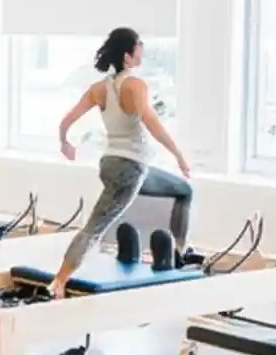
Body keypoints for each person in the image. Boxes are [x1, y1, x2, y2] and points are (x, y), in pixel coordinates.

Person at [47, 27, 192, 298]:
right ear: (128, 55)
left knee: (183, 190)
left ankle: (177, 254)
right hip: (131, 167)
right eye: (139, 44)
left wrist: (64, 143)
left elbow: (66, 120)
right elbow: (153, 124)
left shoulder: (99, 89)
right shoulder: (135, 86)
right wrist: (179, 156)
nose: (143, 47)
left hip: (112, 163)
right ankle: (58, 282)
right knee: (94, 228)